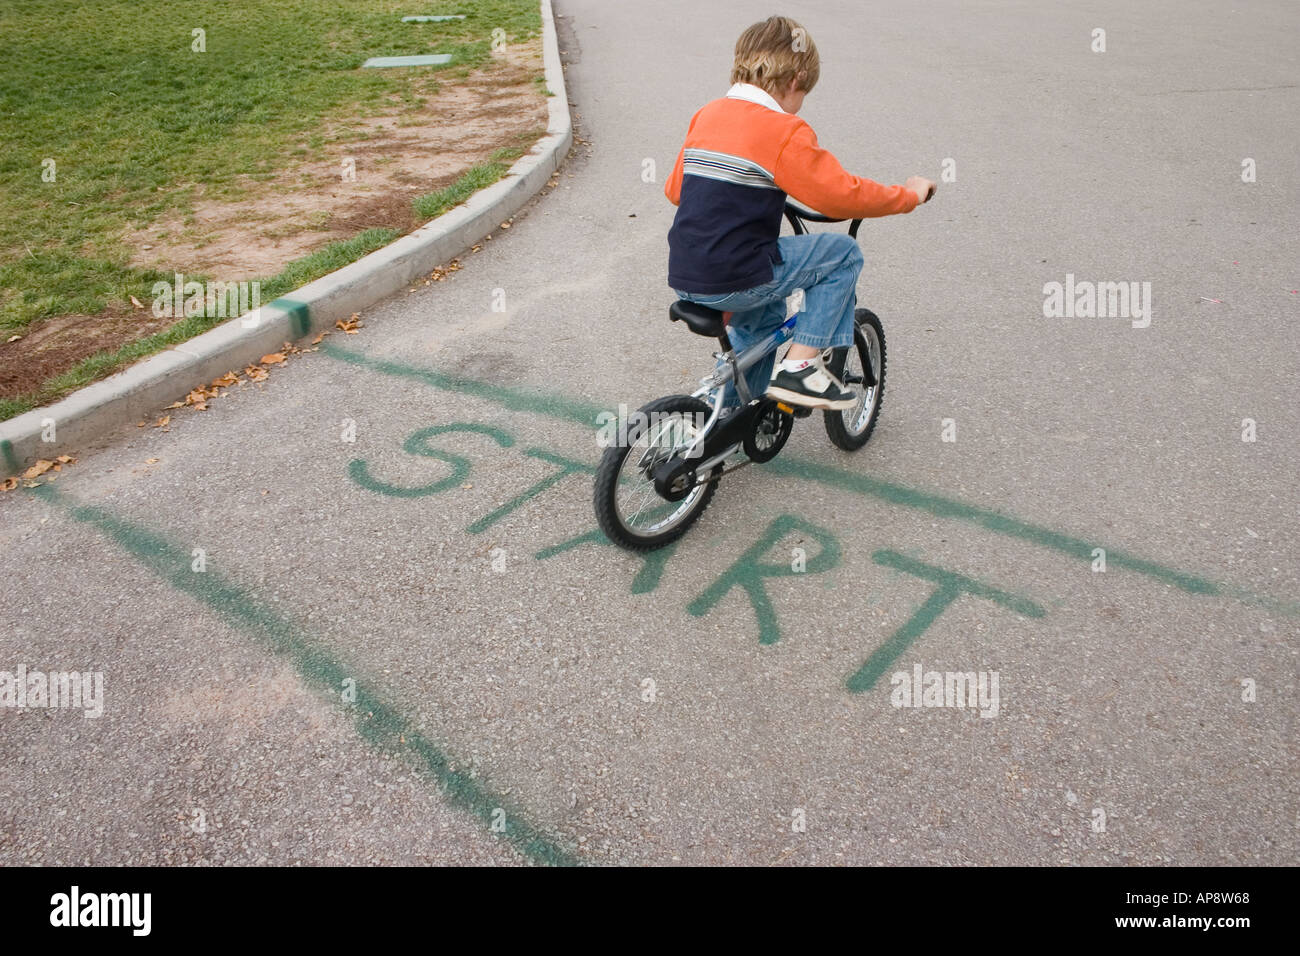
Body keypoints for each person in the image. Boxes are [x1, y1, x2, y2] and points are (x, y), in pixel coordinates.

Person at [665, 15, 935, 411]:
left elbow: (676, 191)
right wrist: (907, 195)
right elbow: (839, 197)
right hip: (735, 275)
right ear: (796, 80)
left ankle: (723, 422)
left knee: (764, 318)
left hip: (686, 273)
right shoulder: (783, 130)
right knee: (843, 255)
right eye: (804, 92)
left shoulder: (707, 115)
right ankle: (801, 368)